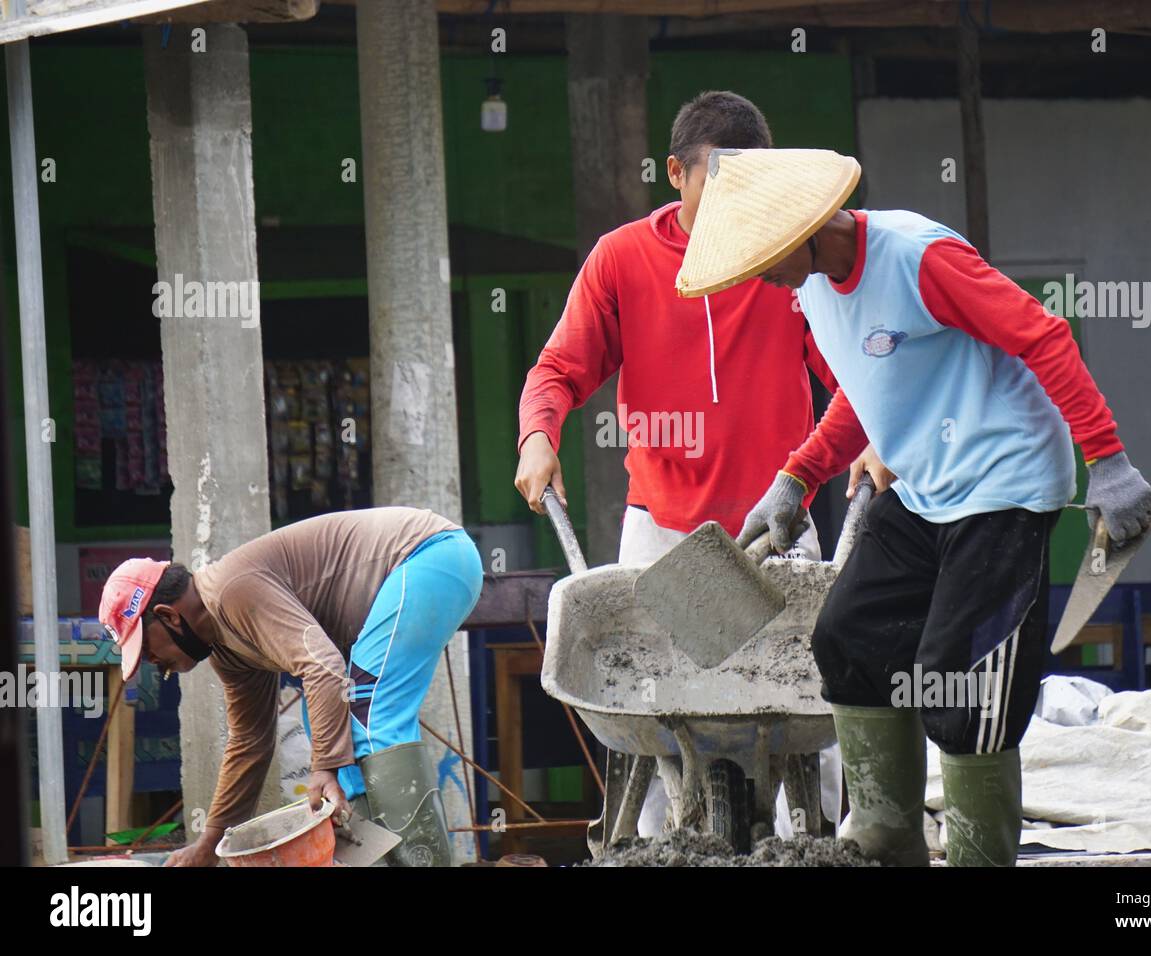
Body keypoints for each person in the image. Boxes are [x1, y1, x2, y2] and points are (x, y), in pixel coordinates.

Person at [678, 148, 1151, 866]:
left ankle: (976, 856)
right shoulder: (812, 287)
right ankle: (888, 836)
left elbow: (1042, 333)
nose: (758, 278)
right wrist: (796, 478)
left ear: (803, 232)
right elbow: (866, 387)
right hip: (928, 491)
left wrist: (1107, 460)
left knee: (962, 681)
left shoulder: (917, 259)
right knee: (848, 636)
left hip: (1004, 488)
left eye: (761, 261)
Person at [515, 91, 870, 838]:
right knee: (654, 721)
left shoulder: (787, 257)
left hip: (776, 527)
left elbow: (849, 377)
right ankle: (655, 848)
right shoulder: (621, 259)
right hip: (663, 532)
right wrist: (537, 436)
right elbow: (557, 369)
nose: (737, 207)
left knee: (815, 714)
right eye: (717, 185)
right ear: (675, 174)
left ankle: (815, 849)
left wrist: (875, 431)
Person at [97, 507, 483, 867]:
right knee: (324, 718)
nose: (150, 661)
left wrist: (325, 768)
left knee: (366, 707)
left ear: (168, 616)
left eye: (145, 647)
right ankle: (381, 857)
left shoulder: (231, 591)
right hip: (424, 565)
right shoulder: (225, 648)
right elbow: (250, 740)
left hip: (430, 555)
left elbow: (323, 666)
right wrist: (208, 846)